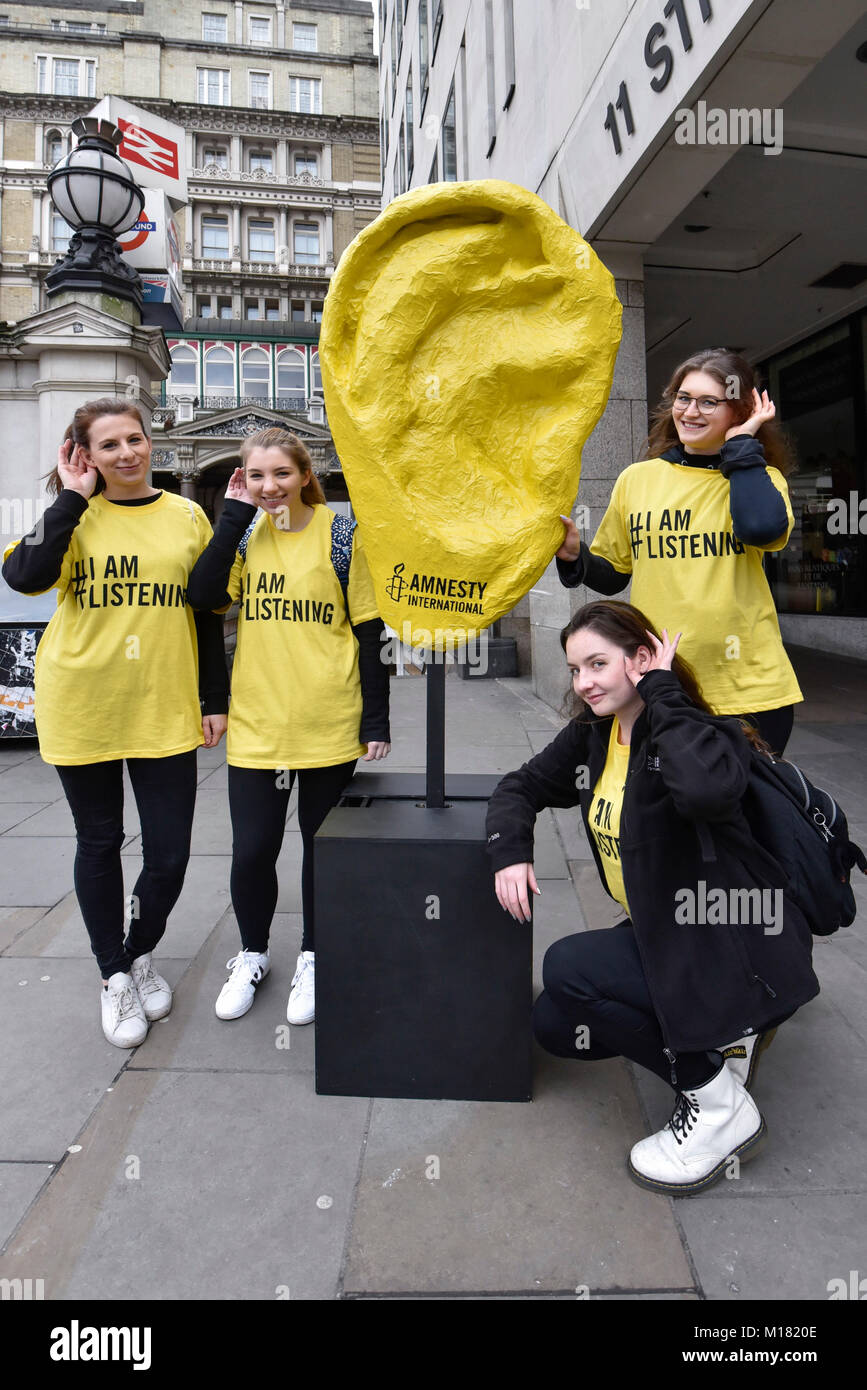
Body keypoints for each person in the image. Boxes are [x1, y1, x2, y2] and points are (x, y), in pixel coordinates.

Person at [486, 599, 819, 1195]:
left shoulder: (695, 732)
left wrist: (664, 693)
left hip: (733, 941)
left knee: (569, 967)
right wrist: (511, 847)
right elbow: (522, 784)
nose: (583, 682)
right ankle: (724, 1044)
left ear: (641, 660)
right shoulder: (595, 734)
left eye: (598, 664)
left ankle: (718, 1106)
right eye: (574, 669)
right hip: (667, 932)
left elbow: (705, 791)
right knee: (556, 1025)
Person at [2, 399, 229, 1048]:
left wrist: (215, 698)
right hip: (85, 702)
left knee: (170, 856)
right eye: (109, 446)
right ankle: (113, 976)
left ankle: (136, 950)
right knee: (99, 843)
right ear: (84, 456)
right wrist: (73, 498)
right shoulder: (71, 517)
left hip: (162, 704)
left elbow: (205, 611)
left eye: (135, 439)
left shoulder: (186, 515)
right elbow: (23, 575)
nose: (128, 453)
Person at [185, 428, 390, 1026]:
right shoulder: (245, 535)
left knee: (320, 848)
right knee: (253, 851)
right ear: (241, 481)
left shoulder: (344, 536)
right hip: (258, 724)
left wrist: (375, 718)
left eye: (280, 474)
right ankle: (251, 954)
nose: (269, 486)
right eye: (256, 476)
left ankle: (314, 955)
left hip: (328, 720)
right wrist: (232, 518)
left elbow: (369, 632)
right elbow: (203, 599)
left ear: (305, 474)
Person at [555, 348, 801, 754]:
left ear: (738, 411)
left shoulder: (760, 479)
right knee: (668, 811)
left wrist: (740, 446)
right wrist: (574, 557)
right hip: (660, 683)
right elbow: (614, 573)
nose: (690, 411)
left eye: (709, 402)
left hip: (750, 689)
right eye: (683, 398)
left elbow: (760, 528)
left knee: (745, 814)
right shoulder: (638, 479)